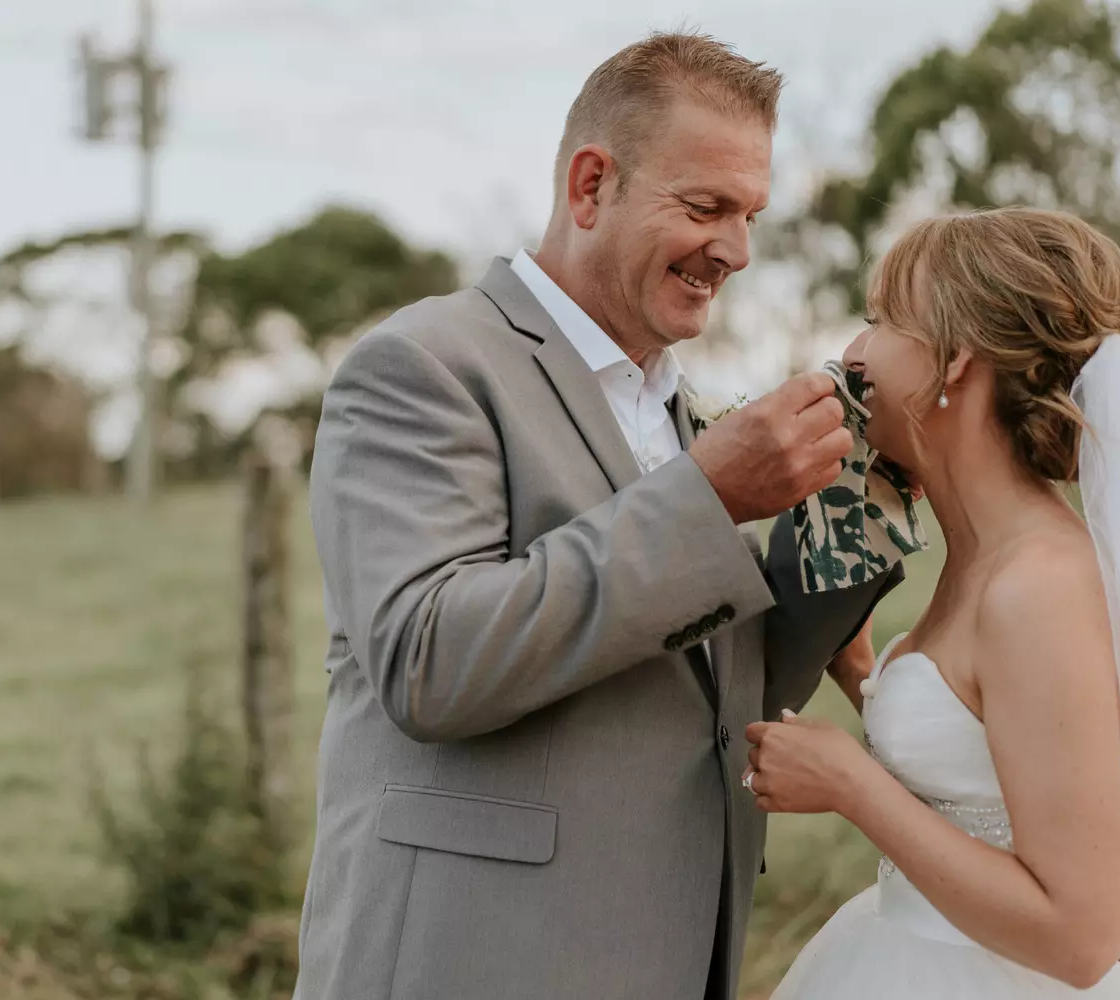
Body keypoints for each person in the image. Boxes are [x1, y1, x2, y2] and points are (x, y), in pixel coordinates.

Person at [293, 32, 904, 1000]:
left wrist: (870, 499)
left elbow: (703, 690)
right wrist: (708, 498)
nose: (736, 251)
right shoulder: (424, 365)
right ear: (590, 185)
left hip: (666, 948)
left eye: (749, 215)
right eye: (706, 207)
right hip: (478, 958)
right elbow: (428, 663)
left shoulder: (677, 403)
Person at [746, 207, 1120, 999]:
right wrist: (866, 672)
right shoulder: (982, 556)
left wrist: (851, 786)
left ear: (955, 363)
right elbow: (985, 763)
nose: (852, 353)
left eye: (880, 321)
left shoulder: (1038, 584)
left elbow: (1080, 937)